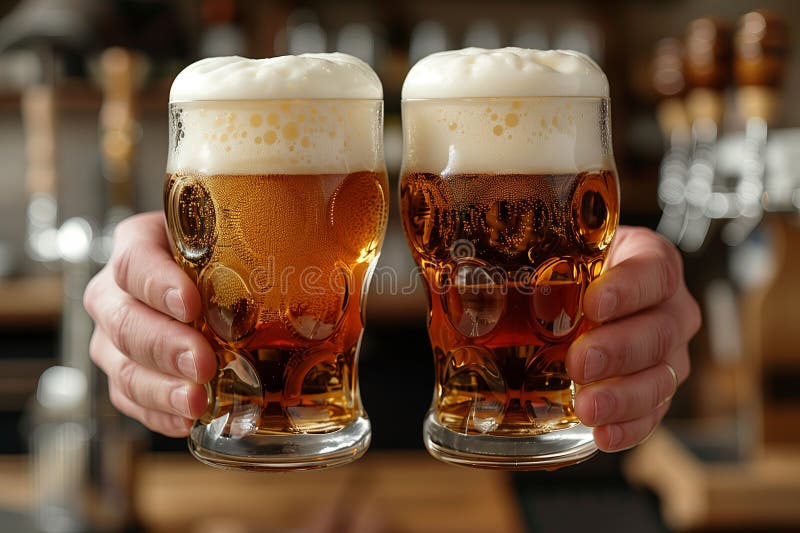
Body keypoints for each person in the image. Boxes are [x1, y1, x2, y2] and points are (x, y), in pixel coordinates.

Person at [84, 212, 700, 452]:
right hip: (225, 493)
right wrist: (138, 292)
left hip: (554, 487)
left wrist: (639, 311)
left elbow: (596, 256)